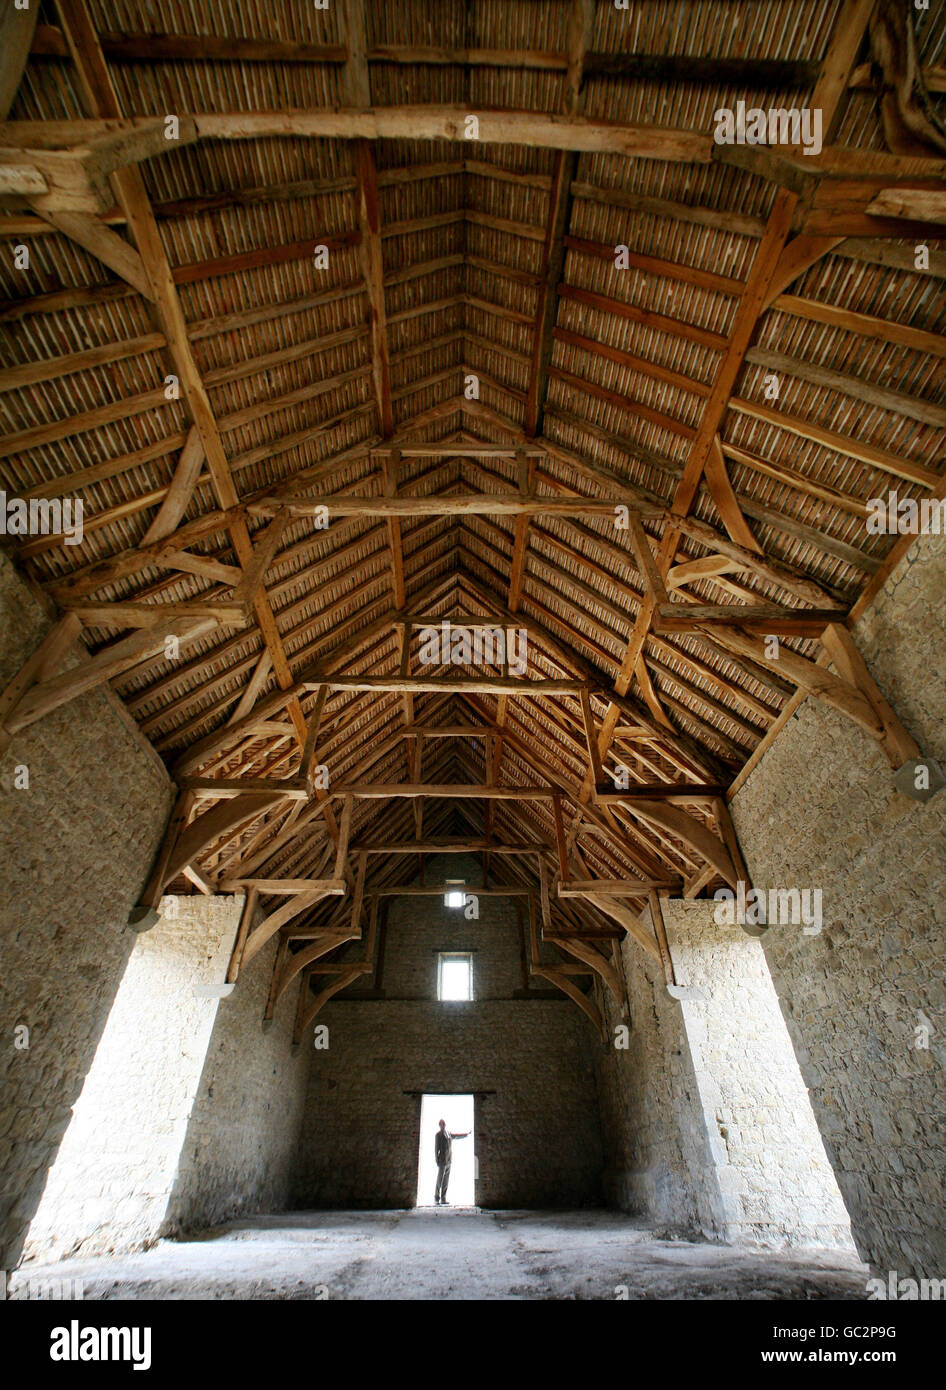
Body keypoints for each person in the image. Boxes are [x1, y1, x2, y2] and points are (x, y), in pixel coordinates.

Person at [434, 1117, 470, 1205]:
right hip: (442, 1160)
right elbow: (436, 1148)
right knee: (440, 1179)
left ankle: (443, 1198)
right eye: (442, 1124)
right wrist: (437, 1160)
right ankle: (436, 1198)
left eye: (444, 1123)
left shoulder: (448, 1133)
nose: (444, 1125)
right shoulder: (438, 1135)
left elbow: (456, 1136)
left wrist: (466, 1134)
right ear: (440, 1125)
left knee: (446, 1180)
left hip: (449, 1160)